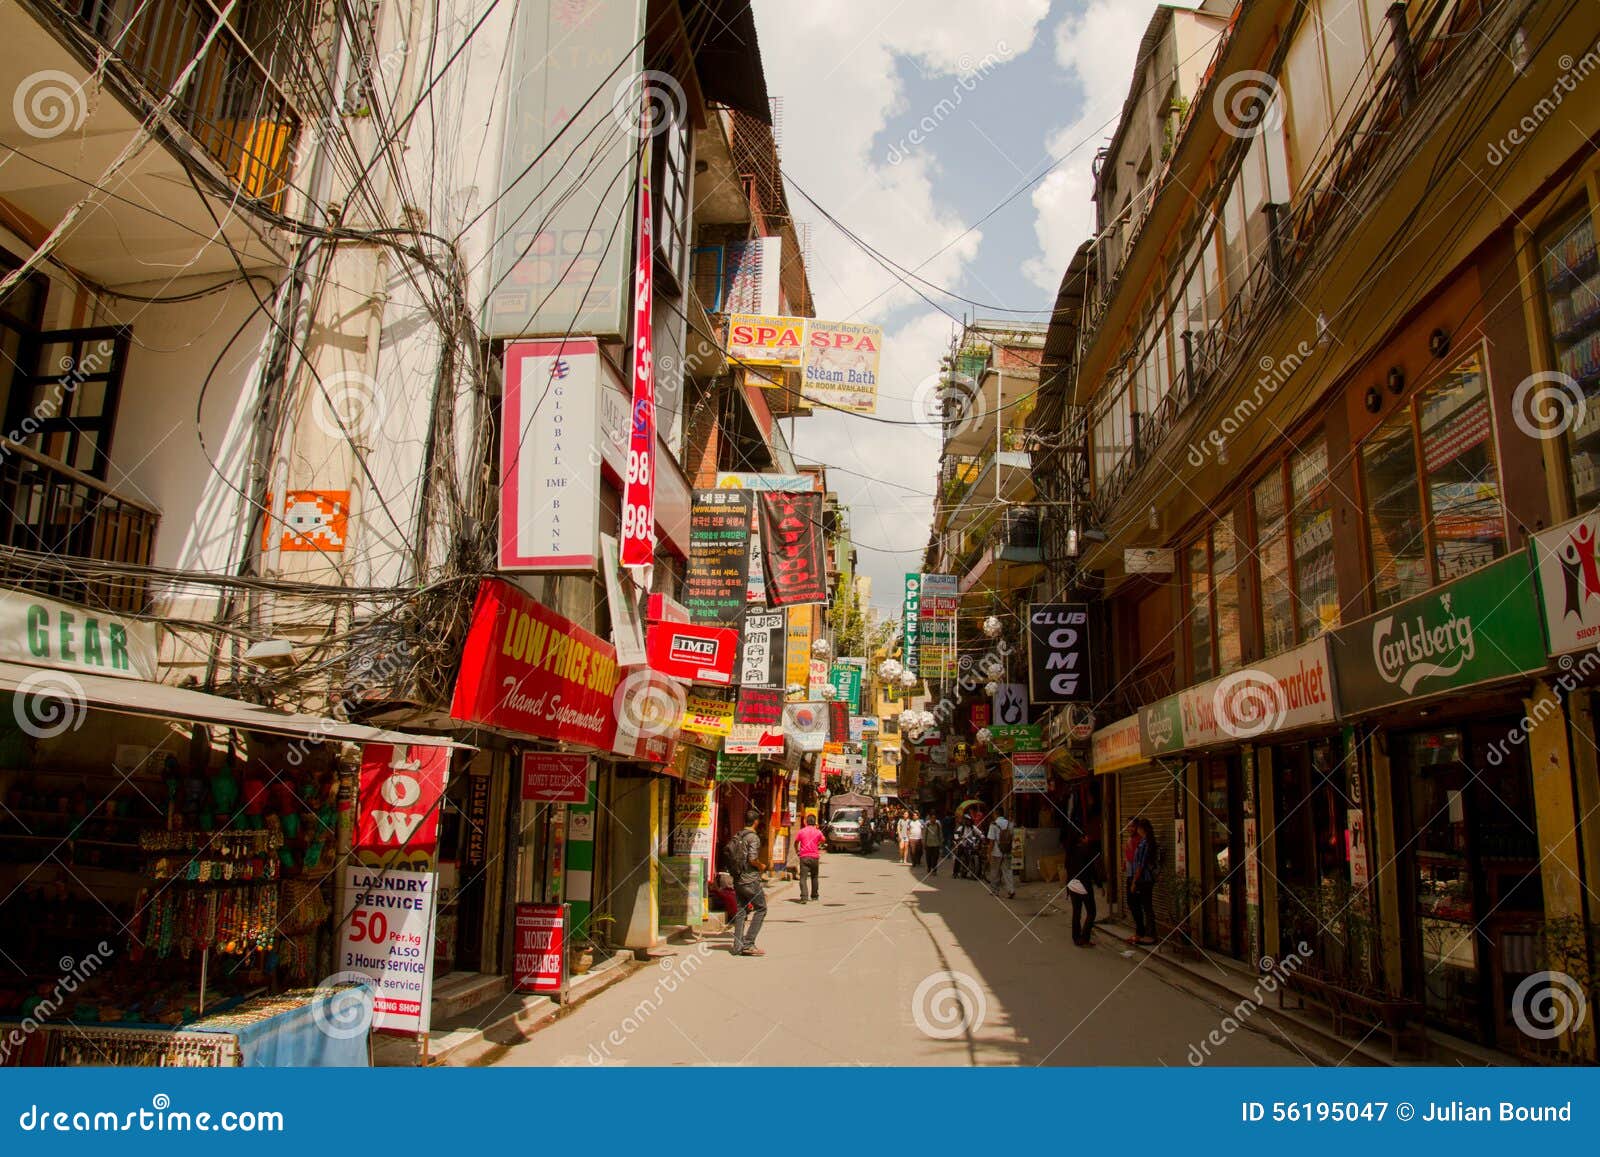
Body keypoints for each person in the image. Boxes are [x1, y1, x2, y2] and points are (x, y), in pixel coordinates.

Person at [727, 808, 767, 956]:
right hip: (750, 880)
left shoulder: (737, 835)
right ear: (756, 822)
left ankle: (737, 946)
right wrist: (761, 865)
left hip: (738, 879)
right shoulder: (753, 838)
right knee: (761, 908)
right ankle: (749, 944)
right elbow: (752, 859)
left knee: (741, 911)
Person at [1067, 829, 1104, 946]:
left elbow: (1067, 869)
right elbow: (1092, 870)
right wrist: (1099, 885)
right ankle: (1084, 937)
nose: (1088, 839)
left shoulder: (1070, 851)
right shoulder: (1085, 851)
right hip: (1083, 884)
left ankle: (1076, 938)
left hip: (1072, 884)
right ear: (1081, 838)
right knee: (1091, 912)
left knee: (1076, 912)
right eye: (1086, 837)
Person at [1126, 817, 1159, 946]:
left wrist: (1134, 881)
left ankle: (1150, 935)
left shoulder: (1145, 843)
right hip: (1143, 879)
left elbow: (1141, 864)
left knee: (1147, 907)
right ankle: (1145, 933)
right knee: (1145, 906)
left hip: (1144, 879)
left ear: (1141, 829)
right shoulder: (1144, 842)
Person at [794, 814, 825, 903]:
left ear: (806, 822)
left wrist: (797, 851)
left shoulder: (801, 831)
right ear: (815, 822)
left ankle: (804, 897)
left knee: (803, 878)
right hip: (814, 857)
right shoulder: (818, 831)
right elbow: (823, 840)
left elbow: (796, 842)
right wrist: (818, 842)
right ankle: (814, 895)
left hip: (804, 857)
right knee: (814, 877)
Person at [987, 810, 1015, 898]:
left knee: (995, 871)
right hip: (1007, 851)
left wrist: (989, 853)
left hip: (996, 852)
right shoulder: (1010, 824)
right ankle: (1011, 890)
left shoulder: (993, 824)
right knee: (1008, 871)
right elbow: (1013, 837)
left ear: (996, 814)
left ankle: (995, 891)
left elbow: (991, 841)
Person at [922, 808, 943, 874]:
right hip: (928, 844)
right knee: (928, 857)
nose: (933, 819)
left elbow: (940, 833)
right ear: (930, 818)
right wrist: (924, 843)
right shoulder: (927, 824)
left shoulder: (938, 824)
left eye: (935, 818)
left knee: (935, 858)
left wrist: (941, 842)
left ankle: (934, 869)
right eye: (932, 818)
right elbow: (924, 834)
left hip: (936, 844)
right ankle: (929, 867)